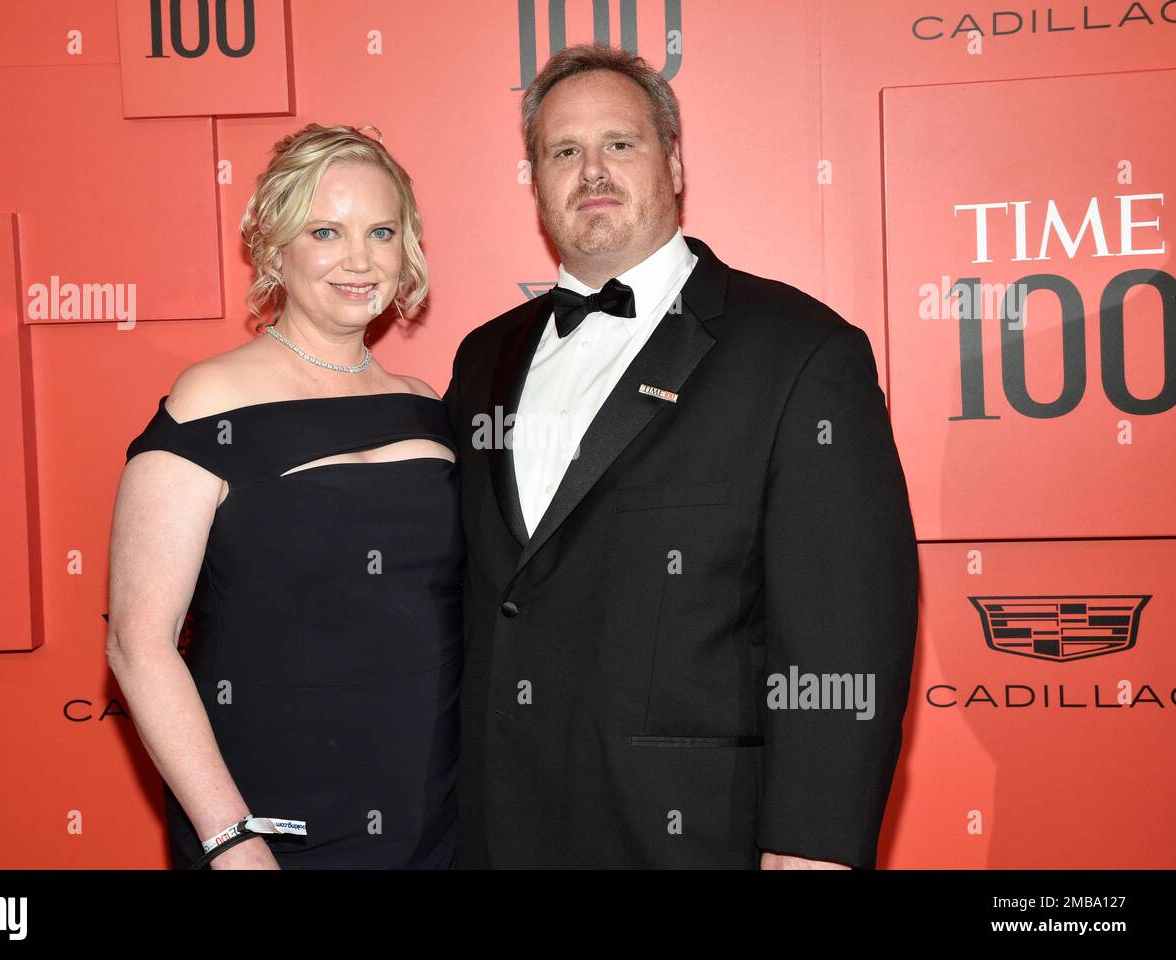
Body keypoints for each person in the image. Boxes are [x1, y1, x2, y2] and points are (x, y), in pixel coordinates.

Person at [443, 44, 919, 868]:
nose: (591, 170)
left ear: (673, 160)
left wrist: (812, 852)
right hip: (496, 834)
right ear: (535, 178)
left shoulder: (800, 354)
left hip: (688, 838)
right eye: (564, 151)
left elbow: (845, 635)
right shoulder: (481, 359)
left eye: (619, 144)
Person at [106, 123, 463, 869]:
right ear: (275, 248)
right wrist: (231, 838)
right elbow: (138, 643)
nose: (360, 260)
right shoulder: (210, 400)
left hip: (437, 810)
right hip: (273, 819)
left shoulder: (427, 405)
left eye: (382, 231)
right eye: (326, 231)